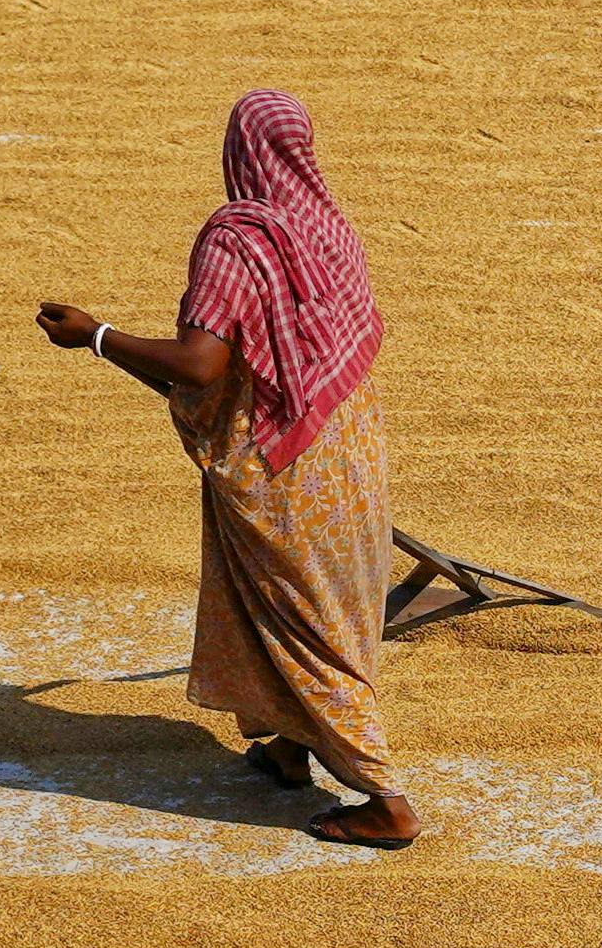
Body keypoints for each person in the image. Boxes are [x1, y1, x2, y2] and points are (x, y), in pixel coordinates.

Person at [34, 89, 418, 849]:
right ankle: (286, 745)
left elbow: (201, 366)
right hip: (346, 445)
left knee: (305, 619)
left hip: (281, 465)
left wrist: (97, 336)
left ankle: (385, 797)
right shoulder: (329, 227)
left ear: (236, 152)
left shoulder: (235, 239)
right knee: (274, 600)